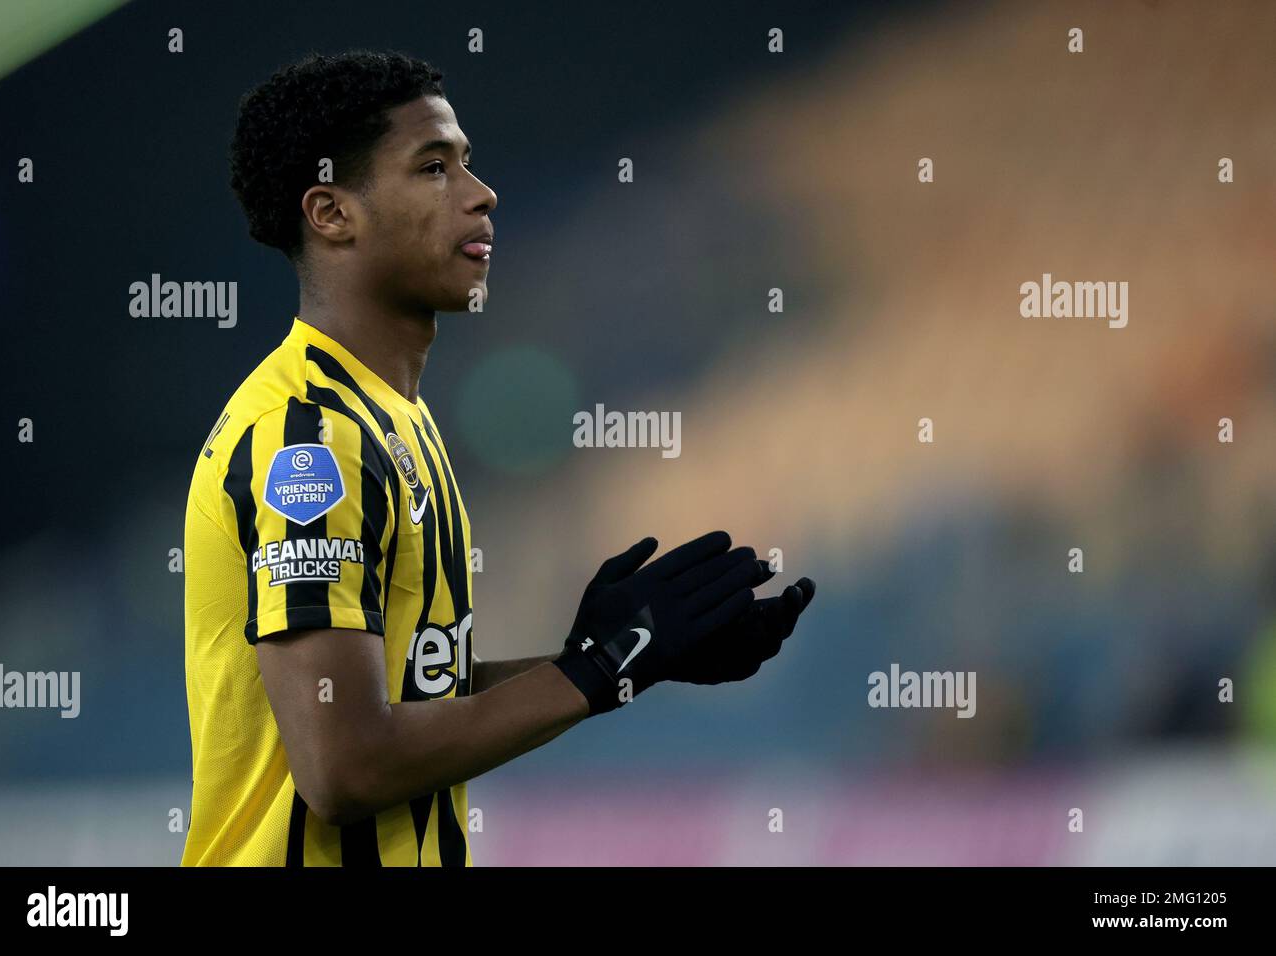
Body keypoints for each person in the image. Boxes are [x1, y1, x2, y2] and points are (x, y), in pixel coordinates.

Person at [181, 50, 815, 866]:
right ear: (333, 213)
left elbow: (414, 692)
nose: (481, 195)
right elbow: (345, 765)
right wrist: (593, 671)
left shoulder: (394, 421)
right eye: (434, 167)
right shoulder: (308, 441)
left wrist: (629, 658)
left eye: (468, 164)